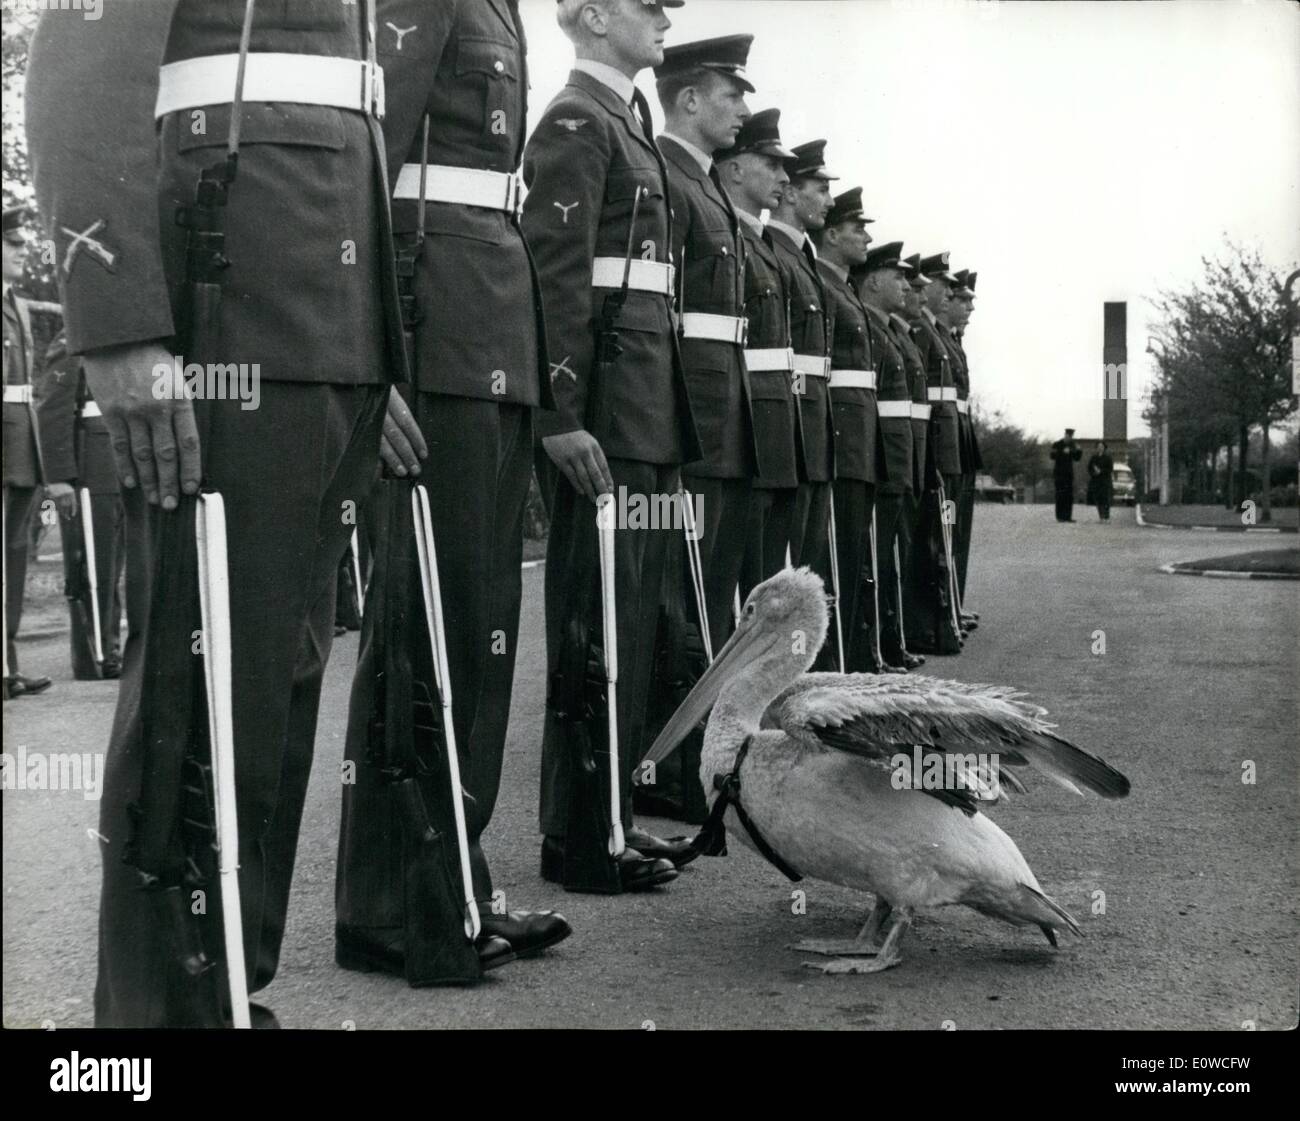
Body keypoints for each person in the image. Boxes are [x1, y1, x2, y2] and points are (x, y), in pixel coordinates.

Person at [27, 0, 402, 1026]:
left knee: (276, 676)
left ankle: (227, 985)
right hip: (223, 309)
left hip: (328, 331)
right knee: (203, 673)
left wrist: (378, 344)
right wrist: (121, 331)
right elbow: (74, 82)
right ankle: (159, 1019)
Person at [334, 0, 572, 983]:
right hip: (434, 335)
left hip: (488, 331)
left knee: (478, 620)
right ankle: (396, 900)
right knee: (426, 621)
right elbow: (363, 168)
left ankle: (454, 877)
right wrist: (372, 356)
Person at [524, 0, 700, 893]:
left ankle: (615, 818)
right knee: (593, 625)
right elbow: (551, 277)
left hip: (645, 409)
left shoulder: (624, 120)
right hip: (604, 413)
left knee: (630, 623)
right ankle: (581, 835)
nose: (665, 17)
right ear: (591, 17)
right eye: (647, 6)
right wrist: (558, 414)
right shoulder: (574, 120)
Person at [655, 33, 756, 655]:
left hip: (724, 417)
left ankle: (706, 738)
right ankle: (672, 745)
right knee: (679, 593)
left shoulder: (705, 184)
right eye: (732, 95)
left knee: (711, 592)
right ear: (690, 99)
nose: (743, 111)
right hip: (689, 418)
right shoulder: (667, 177)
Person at [715, 109, 798, 599]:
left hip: (764, 428)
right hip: (733, 423)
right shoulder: (732, 236)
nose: (784, 178)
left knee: (754, 573)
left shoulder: (758, 242)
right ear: (735, 169)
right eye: (770, 163)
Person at [36, 329, 146, 680]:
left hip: (121, 457)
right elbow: (52, 407)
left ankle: (115, 648)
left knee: (117, 564)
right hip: (91, 465)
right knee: (94, 567)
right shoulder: (74, 335)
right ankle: (96, 655)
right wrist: (59, 477)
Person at [812, 187, 891, 672]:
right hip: (839, 436)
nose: (864, 236)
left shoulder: (840, 287)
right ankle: (833, 664)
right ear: (832, 231)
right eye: (856, 227)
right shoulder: (822, 282)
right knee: (833, 559)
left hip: (858, 437)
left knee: (853, 557)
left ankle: (852, 659)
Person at [766, 140, 836, 598]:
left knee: (807, 561)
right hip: (787, 426)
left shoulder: (803, 259)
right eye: (821, 188)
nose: (829, 201)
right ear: (791, 193)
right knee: (777, 564)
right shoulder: (775, 252)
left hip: (812, 425)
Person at [856, 240, 923, 671]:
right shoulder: (873, 326)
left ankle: (885, 644)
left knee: (890, 557)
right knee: (873, 559)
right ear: (875, 279)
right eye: (898, 276)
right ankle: (871, 649)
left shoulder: (890, 330)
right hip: (879, 456)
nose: (906, 285)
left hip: (898, 457)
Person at [3, 205, 54, 700]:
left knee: (12, 556)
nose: (24, 250)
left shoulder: (15, 301)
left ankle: (7, 663)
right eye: (13, 243)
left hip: (20, 440)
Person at [947, 268, 982, 615]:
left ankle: (953, 604)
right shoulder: (938, 338)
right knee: (947, 530)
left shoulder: (954, 341)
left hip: (961, 440)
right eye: (963, 300)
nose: (970, 309)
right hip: (949, 441)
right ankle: (946, 606)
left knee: (958, 531)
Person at [1051, 427, 1082, 522]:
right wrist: (1062, 452)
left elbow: (1077, 458)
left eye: (1071, 436)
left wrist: (1078, 450)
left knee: (1068, 496)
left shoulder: (1073, 445)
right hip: (1059, 474)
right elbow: (1052, 456)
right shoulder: (1057, 444)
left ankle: (1068, 517)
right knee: (1060, 495)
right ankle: (1060, 516)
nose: (1069, 438)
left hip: (1068, 474)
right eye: (1067, 435)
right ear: (1065, 435)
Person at [1087, 441, 1114, 521]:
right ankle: (1101, 516)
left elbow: (1110, 469)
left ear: (1104, 448)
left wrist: (1101, 471)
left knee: (1105, 499)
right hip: (1096, 481)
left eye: (1101, 446)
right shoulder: (1093, 458)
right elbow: (1089, 468)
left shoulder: (1108, 458)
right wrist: (1094, 472)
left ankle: (1106, 516)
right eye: (1098, 446)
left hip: (1105, 481)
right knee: (1098, 499)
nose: (1100, 448)